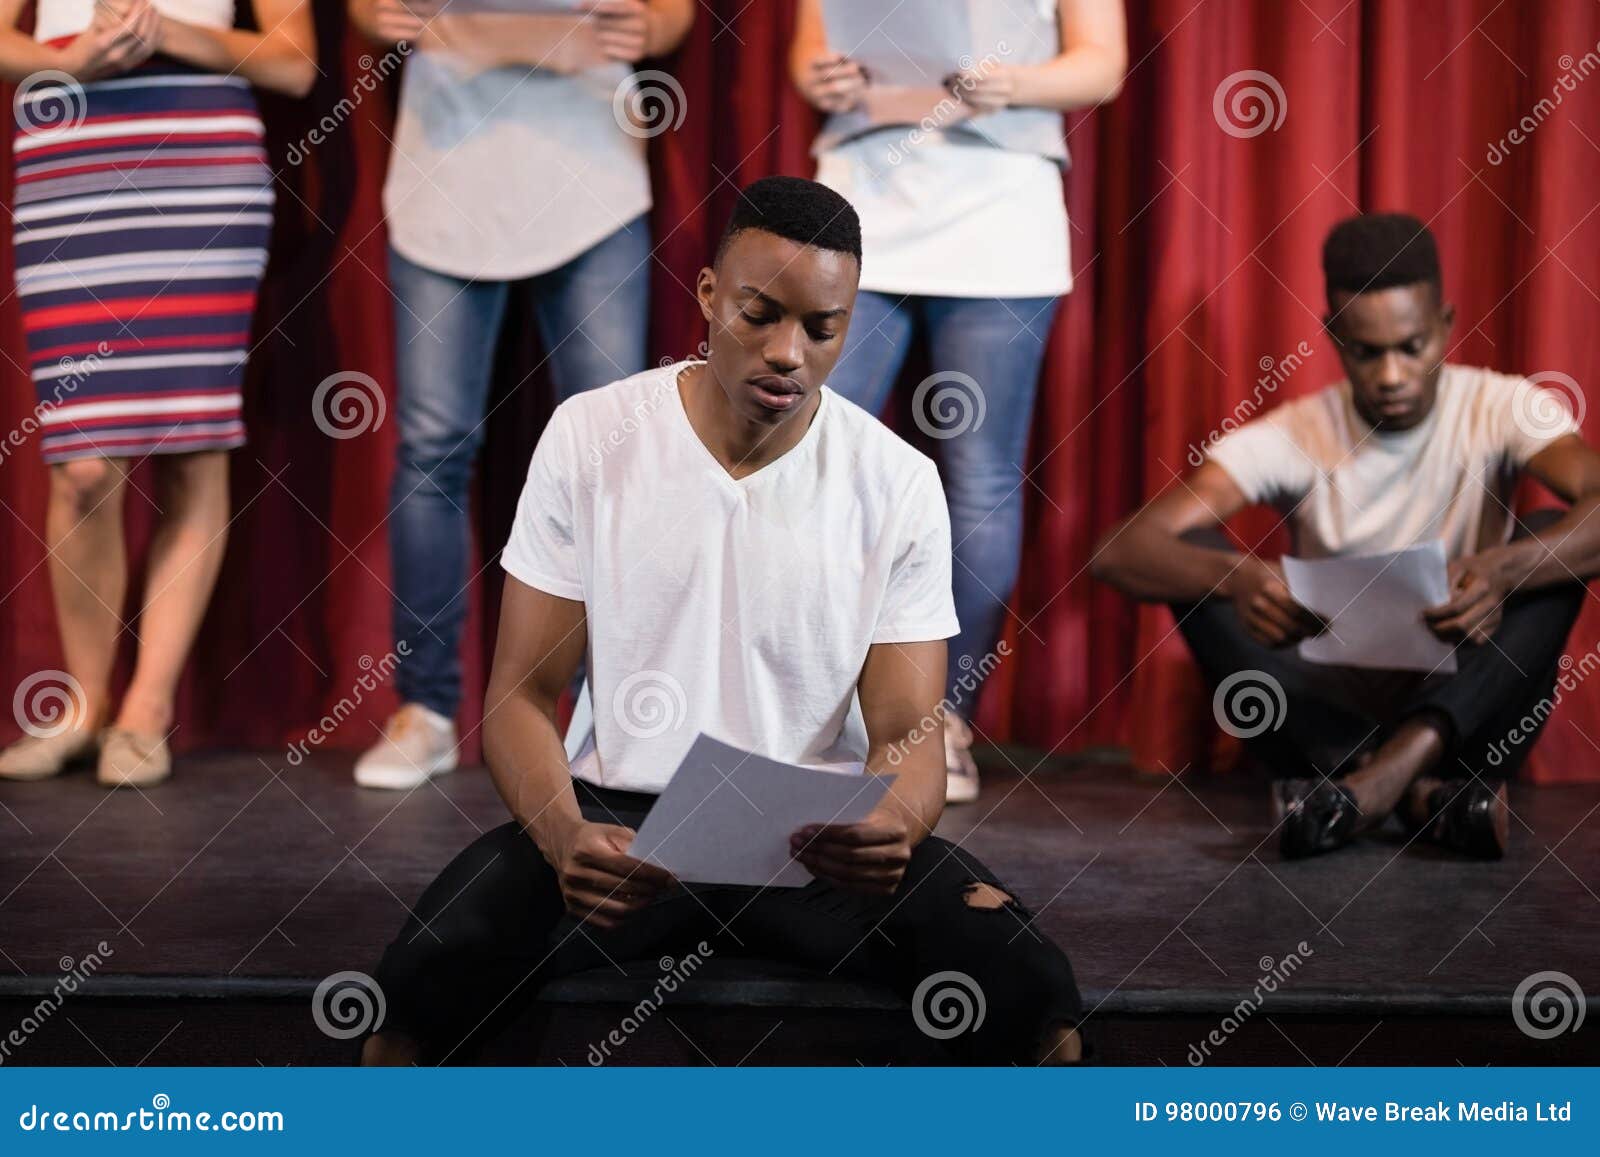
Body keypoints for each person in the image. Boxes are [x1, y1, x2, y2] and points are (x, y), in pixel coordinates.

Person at [360, 177, 1085, 1066]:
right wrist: (562, 836)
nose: (789, 351)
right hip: (621, 824)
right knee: (422, 979)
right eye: (759, 314)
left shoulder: (895, 480)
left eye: (822, 329)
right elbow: (520, 694)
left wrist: (894, 823)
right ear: (707, 295)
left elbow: (909, 728)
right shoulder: (592, 436)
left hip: (813, 837)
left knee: (1031, 984)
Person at [1092, 213, 1600, 860]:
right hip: (1326, 720)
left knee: (1556, 540)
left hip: (1469, 711)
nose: (1391, 374)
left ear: (1445, 327)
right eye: (1367, 351)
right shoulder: (1295, 431)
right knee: (1198, 563)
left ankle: (1380, 780)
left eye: (1411, 346)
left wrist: (1504, 571)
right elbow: (1119, 550)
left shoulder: (1502, 407)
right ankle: (1417, 798)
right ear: (1333, 336)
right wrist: (1242, 578)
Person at [347, 0, 694, 789]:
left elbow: (670, 17)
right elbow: (370, 12)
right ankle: (426, 708)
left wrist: (652, 28)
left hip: (592, 173)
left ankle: (609, 712)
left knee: (615, 457)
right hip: (446, 172)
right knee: (433, 448)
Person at [790, 0, 1126, 803]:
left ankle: (939, 723)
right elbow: (810, 47)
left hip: (998, 198)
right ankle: (805, 710)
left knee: (977, 475)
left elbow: (1102, 63)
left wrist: (1012, 82)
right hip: (865, 187)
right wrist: (823, 75)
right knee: (808, 454)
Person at [0, 0, 314, 786]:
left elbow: (293, 61)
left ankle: (145, 707)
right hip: (68, 159)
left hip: (201, 168)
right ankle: (80, 703)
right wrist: (72, 62)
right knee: (80, 465)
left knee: (193, 447)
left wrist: (168, 33)